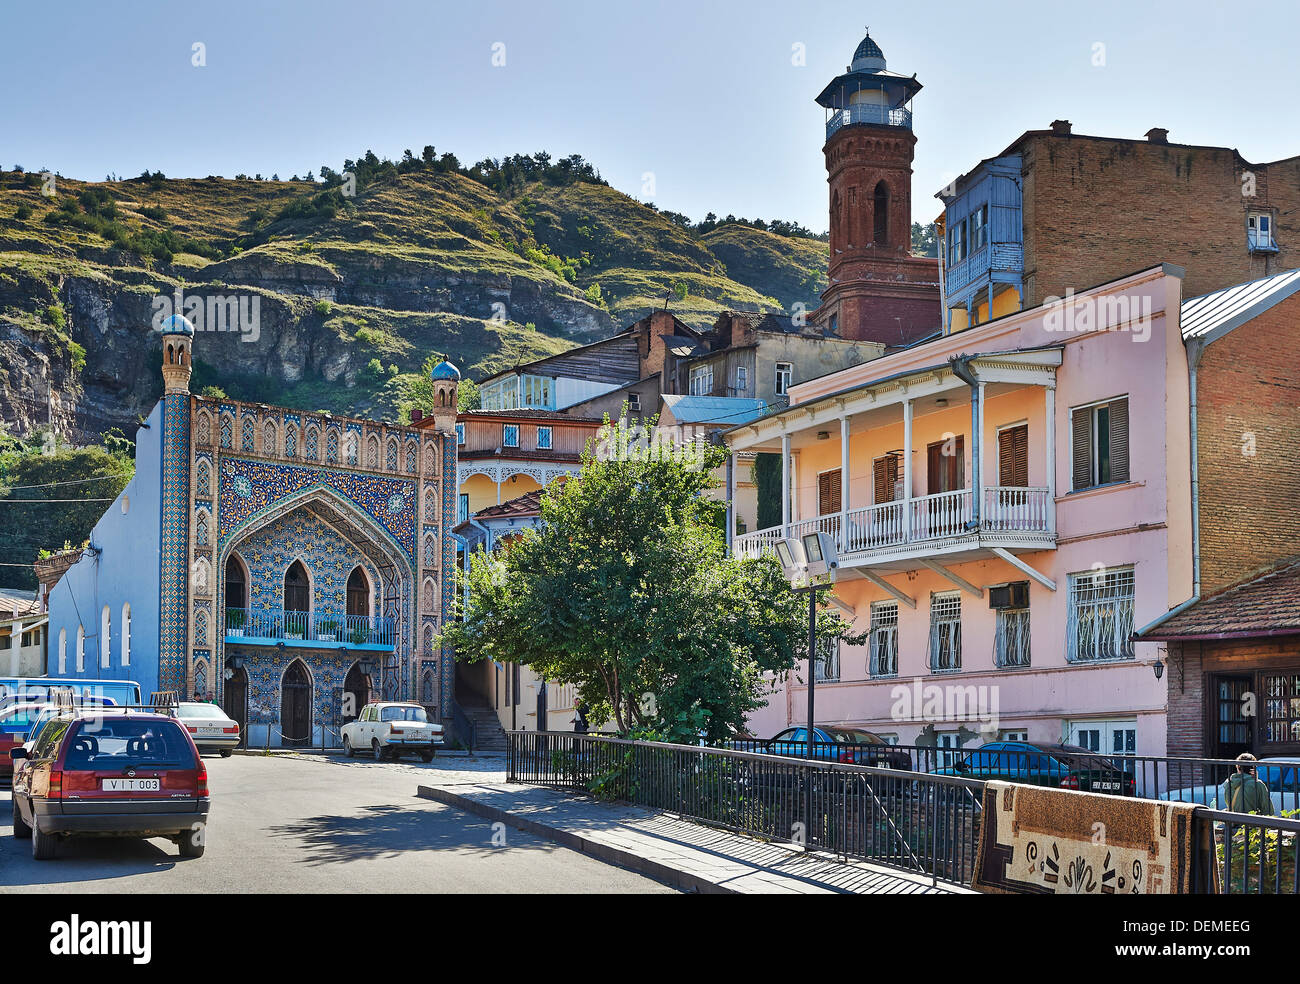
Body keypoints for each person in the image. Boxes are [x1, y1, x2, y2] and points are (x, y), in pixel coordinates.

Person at [1218, 752, 1275, 892]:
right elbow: (1269, 811)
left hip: (1233, 828)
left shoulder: (1228, 785)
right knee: (1255, 871)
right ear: (1253, 768)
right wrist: (1257, 782)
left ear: (1238, 767)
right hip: (1252, 831)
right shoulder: (1257, 785)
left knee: (1234, 867)